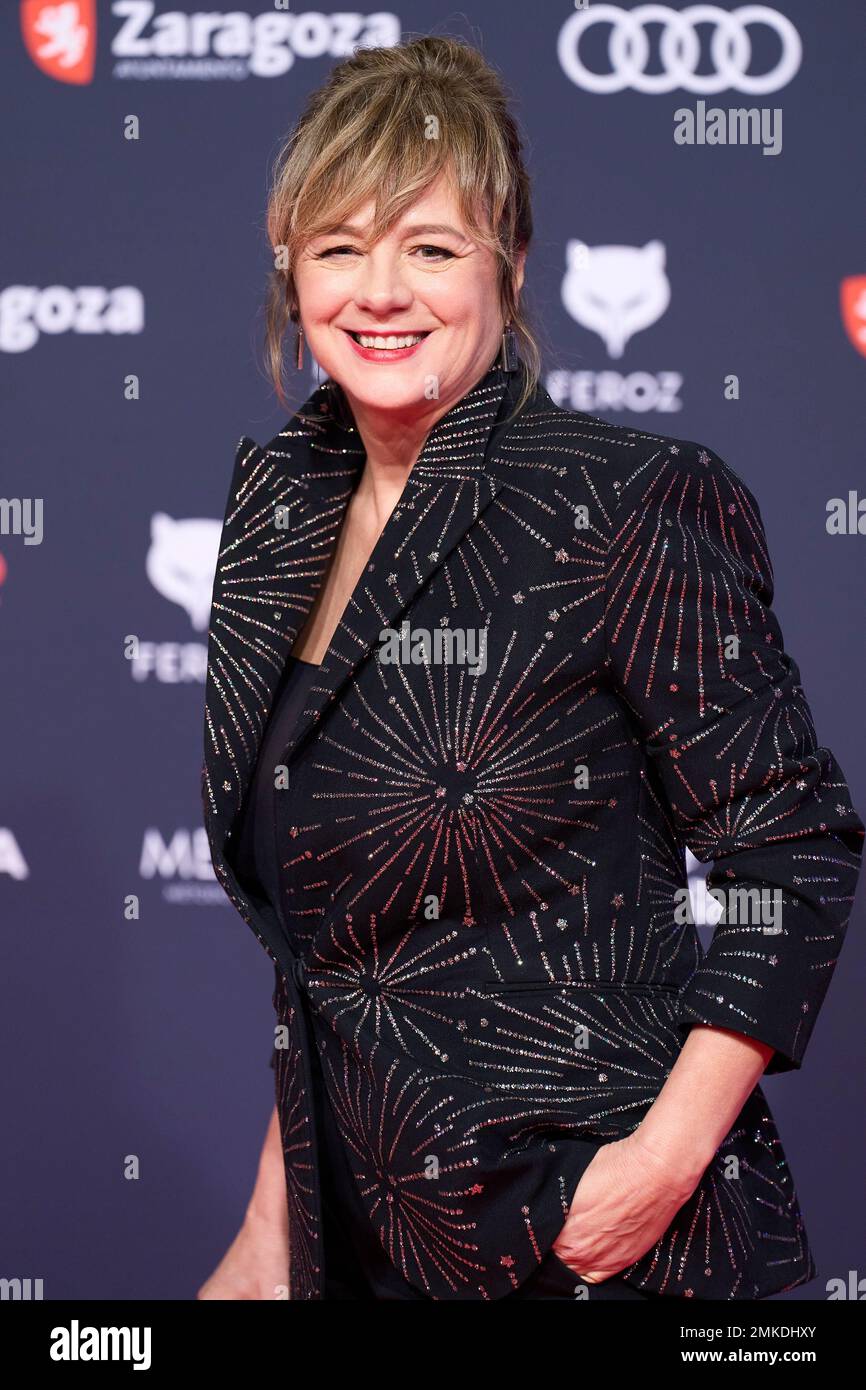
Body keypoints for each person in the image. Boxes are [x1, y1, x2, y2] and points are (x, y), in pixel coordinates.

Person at [197, 35, 863, 1301]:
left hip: (599, 1248)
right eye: (340, 247)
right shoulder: (274, 510)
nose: (380, 291)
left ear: (507, 263)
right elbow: (330, 957)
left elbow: (792, 853)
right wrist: (270, 1238)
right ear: (292, 271)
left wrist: (658, 1167)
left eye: (430, 248)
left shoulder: (622, 503)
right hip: (366, 1237)